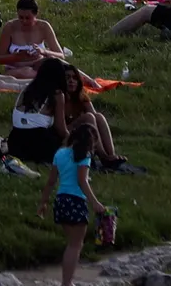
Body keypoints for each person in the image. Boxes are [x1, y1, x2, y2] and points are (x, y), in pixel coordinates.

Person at [45, 121, 110, 286]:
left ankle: (67, 281)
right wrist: (95, 202)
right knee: (75, 246)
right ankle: (67, 283)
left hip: (61, 201)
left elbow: (51, 181)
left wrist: (43, 202)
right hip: (76, 201)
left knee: (72, 244)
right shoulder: (84, 156)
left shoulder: (60, 153)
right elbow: (82, 181)